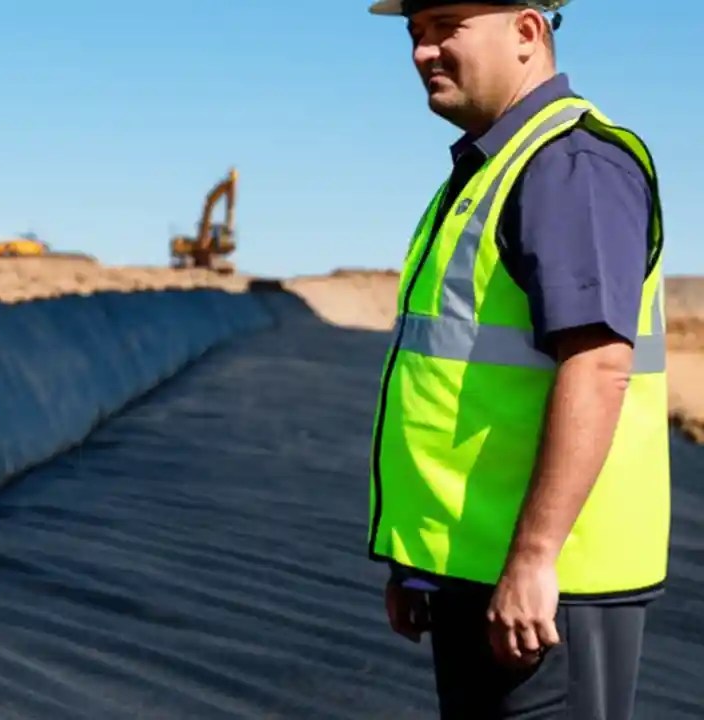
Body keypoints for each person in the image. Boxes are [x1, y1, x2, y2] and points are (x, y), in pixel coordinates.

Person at [362, 0, 670, 717]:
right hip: (477, 575)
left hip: (548, 588)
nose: (421, 52)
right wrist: (421, 564)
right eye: (414, 33)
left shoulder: (571, 167)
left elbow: (597, 366)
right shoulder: (489, 172)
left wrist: (534, 558)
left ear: (528, 32)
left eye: (445, 28)